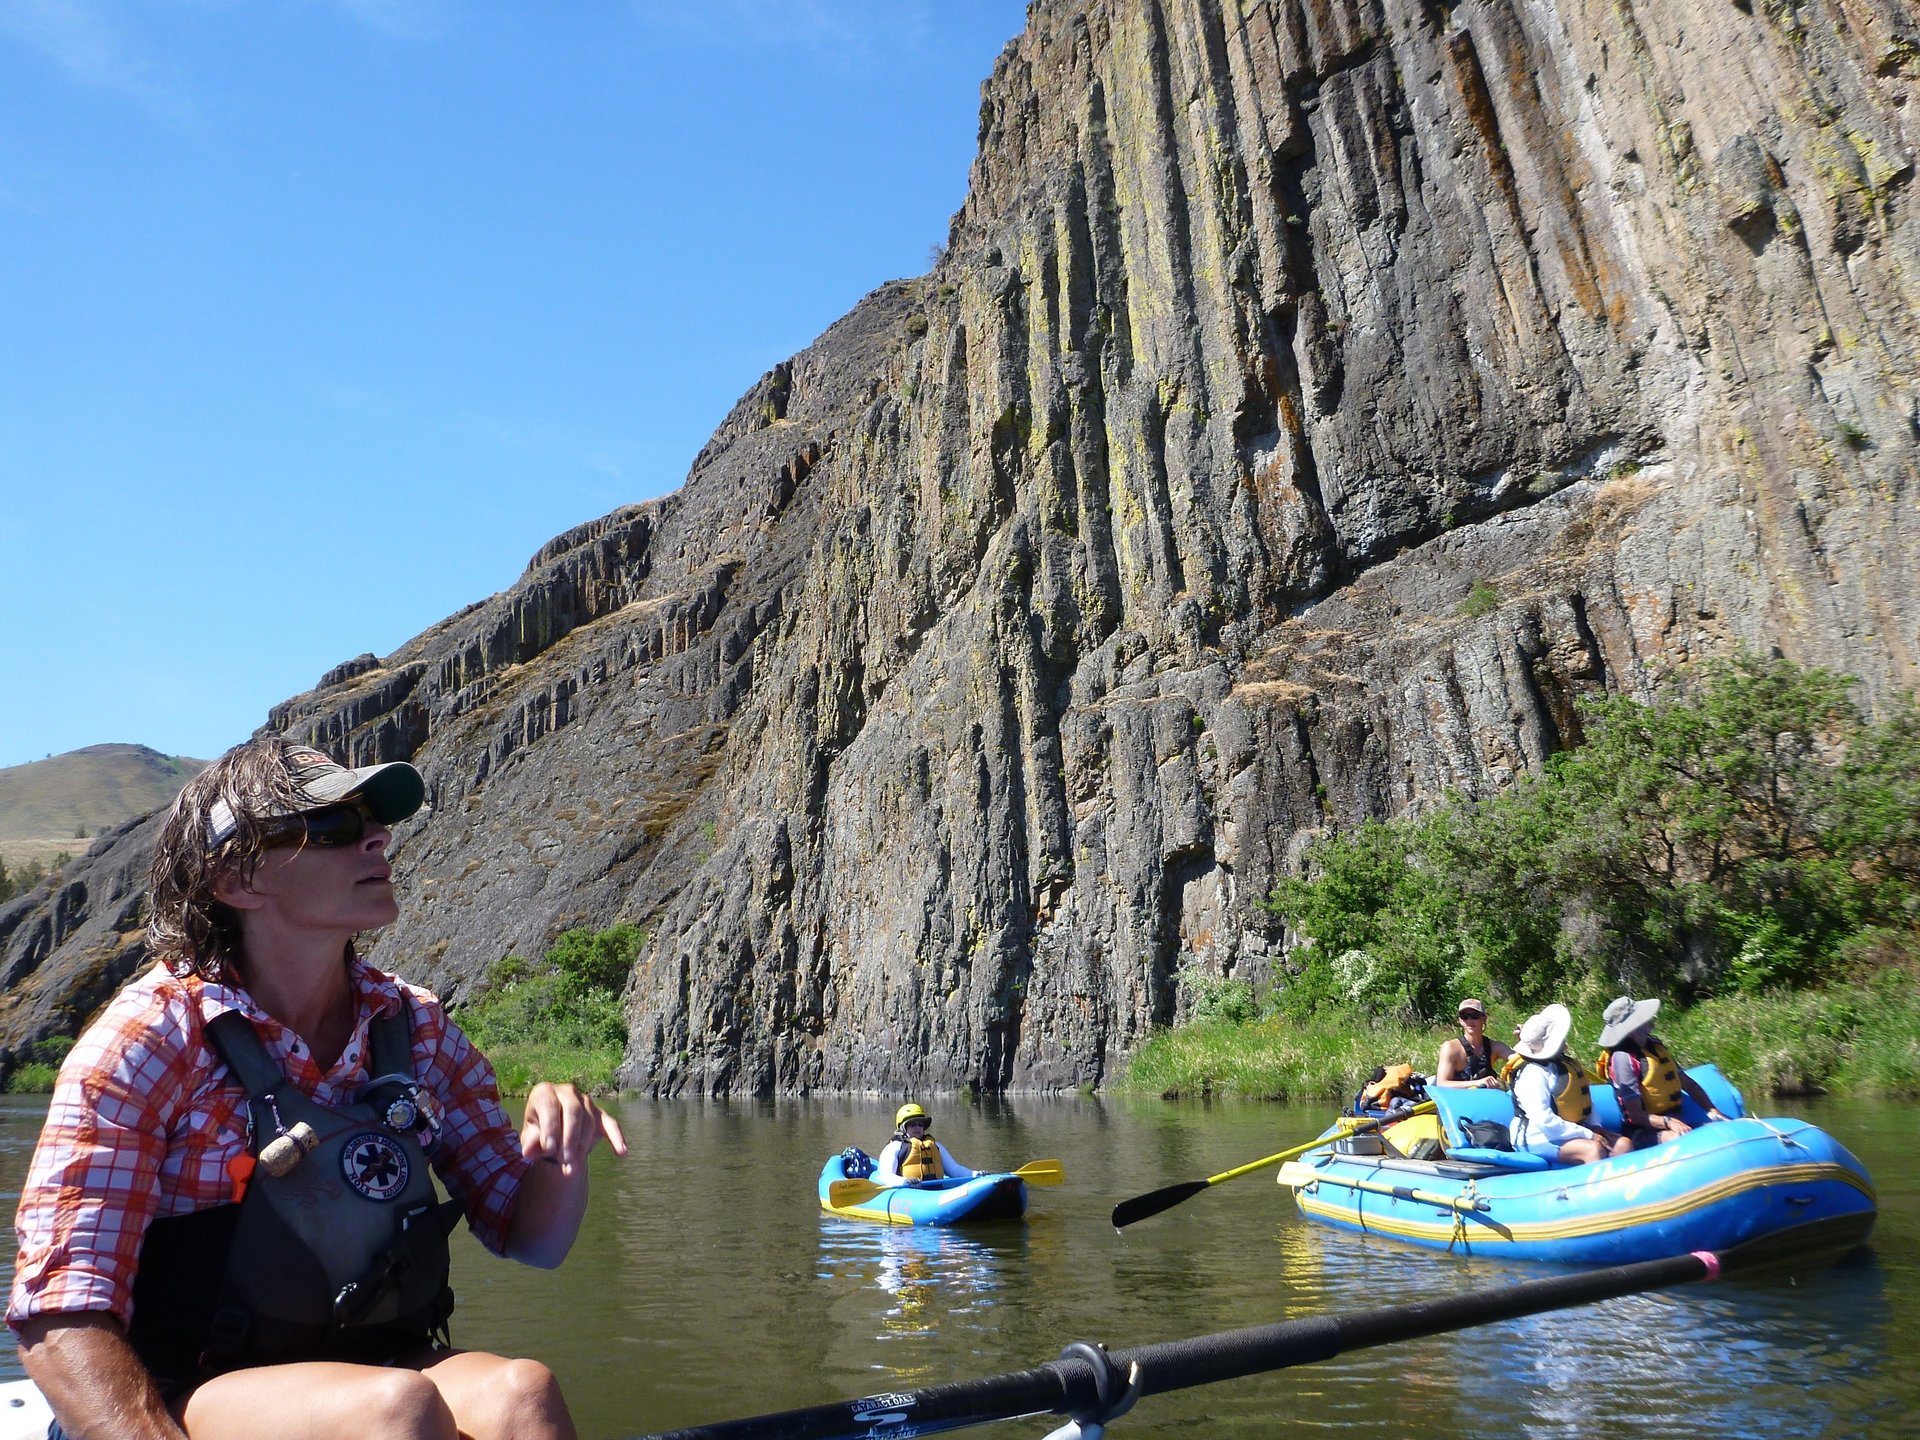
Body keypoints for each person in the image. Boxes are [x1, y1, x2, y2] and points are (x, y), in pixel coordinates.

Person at [8, 738, 628, 1440]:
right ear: (236, 881)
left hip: (381, 1367)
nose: (377, 839)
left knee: (523, 1393)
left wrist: (559, 1154)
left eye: (373, 823)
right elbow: (59, 1317)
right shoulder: (146, 1043)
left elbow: (531, 1238)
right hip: (187, 1389)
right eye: (333, 828)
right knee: (396, 1409)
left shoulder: (416, 1026)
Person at [1596, 995, 1729, 1147]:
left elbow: (1686, 1083)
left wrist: (1712, 1110)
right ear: (1634, 1027)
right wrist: (1668, 1122)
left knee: (1718, 1128)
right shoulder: (1623, 1060)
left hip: (1676, 1120)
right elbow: (1636, 1116)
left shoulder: (1655, 1046)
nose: (1652, 1017)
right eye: (1643, 1017)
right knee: (1677, 1138)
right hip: (1642, 1131)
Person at [1508, 1004, 1630, 1166]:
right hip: (1536, 1136)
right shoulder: (1533, 1074)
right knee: (1593, 1150)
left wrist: (1595, 1126)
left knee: (1623, 1144)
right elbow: (1544, 1121)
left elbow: (1584, 1102)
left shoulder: (1563, 1065)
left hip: (1571, 1128)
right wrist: (1588, 1135)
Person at [875, 1104, 974, 1185]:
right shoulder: (894, 1147)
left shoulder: (936, 1146)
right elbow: (886, 1176)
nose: (917, 1127)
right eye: (912, 1124)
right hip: (908, 1191)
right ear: (902, 1128)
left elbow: (954, 1170)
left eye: (920, 1124)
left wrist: (975, 1174)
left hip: (936, 1190)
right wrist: (904, 1181)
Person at [1432, 997, 1513, 1089]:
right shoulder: (1450, 1047)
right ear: (1460, 1021)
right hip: (1458, 1100)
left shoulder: (1495, 1047)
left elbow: (1517, 1059)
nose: (1469, 1020)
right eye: (1464, 1016)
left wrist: (1524, 1038)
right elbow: (1442, 1083)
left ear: (1484, 1018)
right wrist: (1478, 1083)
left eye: (1474, 1015)